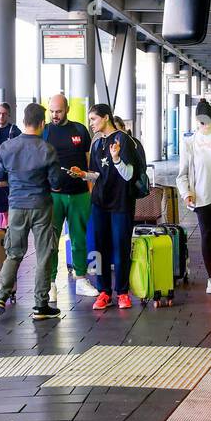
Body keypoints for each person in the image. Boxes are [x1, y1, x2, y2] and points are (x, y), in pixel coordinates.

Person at [0, 103, 59, 320]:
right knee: (44, 254)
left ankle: (0, 298)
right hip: (41, 206)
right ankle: (40, 306)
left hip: (16, 206)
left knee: (14, 253)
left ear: (24, 121)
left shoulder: (7, 148)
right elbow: (56, 185)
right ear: (41, 124)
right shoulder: (47, 149)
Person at [71, 103, 137, 311]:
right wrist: (83, 175)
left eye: (93, 119)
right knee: (100, 248)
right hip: (100, 202)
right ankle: (104, 291)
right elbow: (97, 174)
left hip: (120, 202)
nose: (91, 124)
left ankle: (123, 292)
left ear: (106, 117)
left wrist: (116, 159)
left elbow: (129, 175)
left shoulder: (124, 140)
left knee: (121, 247)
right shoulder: (97, 143)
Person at [42, 93, 97, 301]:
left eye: (59, 111)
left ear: (67, 110)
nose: (55, 115)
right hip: (54, 196)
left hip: (79, 194)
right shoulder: (44, 131)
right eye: (52, 111)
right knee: (51, 240)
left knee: (79, 238)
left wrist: (90, 188)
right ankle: (51, 283)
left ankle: (81, 277)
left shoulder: (80, 130)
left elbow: (89, 162)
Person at [177, 99, 211, 293]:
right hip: (202, 196)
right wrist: (185, 193)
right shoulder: (190, 143)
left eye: (207, 122)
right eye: (201, 122)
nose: (204, 126)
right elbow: (182, 174)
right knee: (207, 234)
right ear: (197, 121)